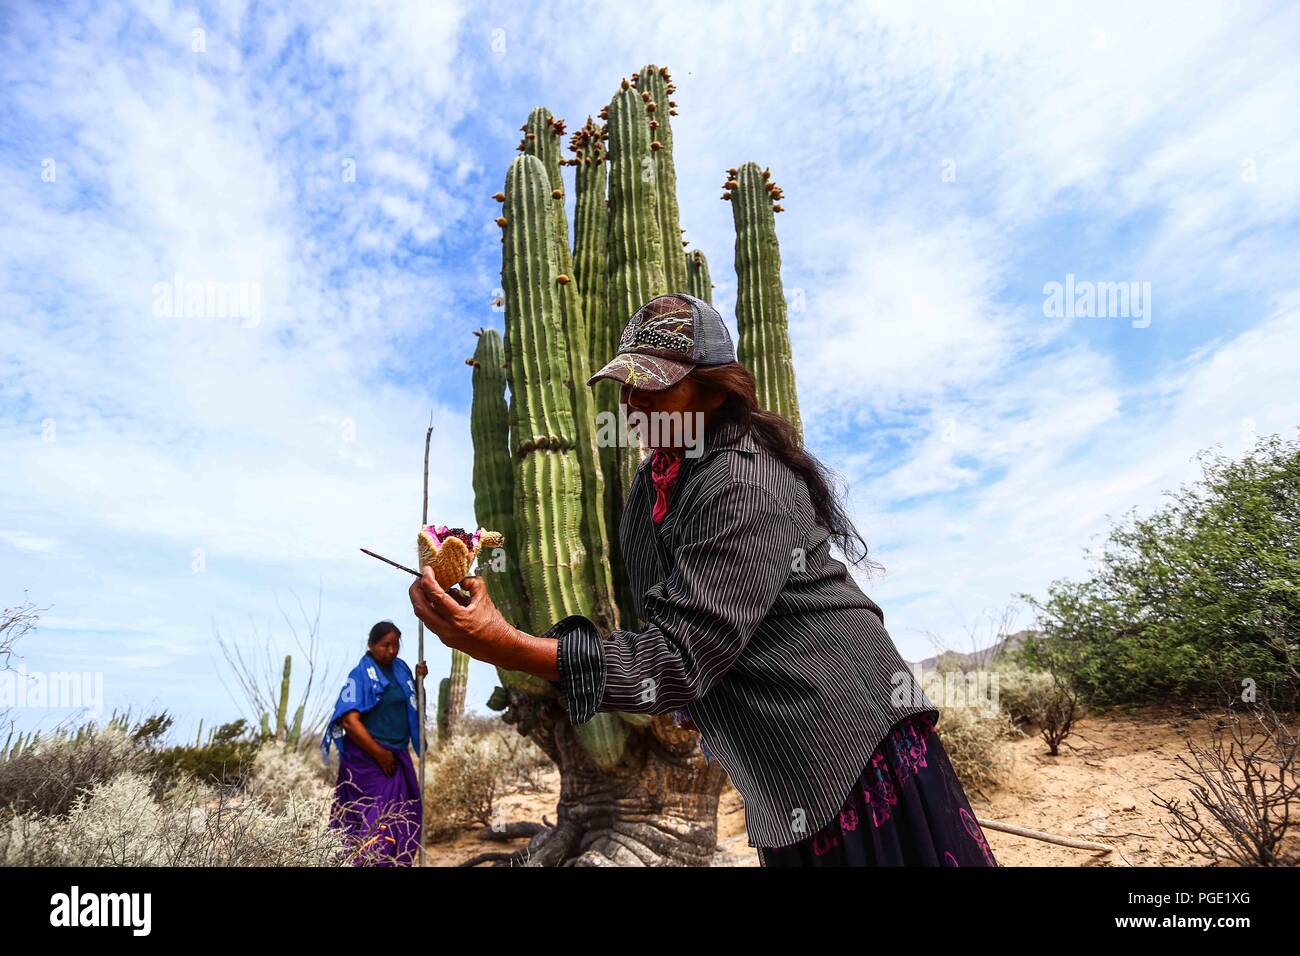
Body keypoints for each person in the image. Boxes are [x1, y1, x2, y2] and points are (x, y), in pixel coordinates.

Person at [408, 292, 996, 867]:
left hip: (846, 741)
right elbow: (662, 617)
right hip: (781, 757)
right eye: (628, 384)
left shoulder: (744, 482)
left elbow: (679, 658)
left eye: (656, 385)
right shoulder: (654, 486)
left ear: (714, 391)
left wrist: (504, 645)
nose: (634, 402)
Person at [321, 620, 428, 866]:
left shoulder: (401, 669)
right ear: (371, 645)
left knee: (405, 816)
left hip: (396, 756)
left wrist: (420, 682)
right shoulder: (360, 674)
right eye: (385, 645)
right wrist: (379, 754)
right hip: (368, 762)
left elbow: (412, 704)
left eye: (396, 644)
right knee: (376, 823)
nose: (391, 650)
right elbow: (349, 720)